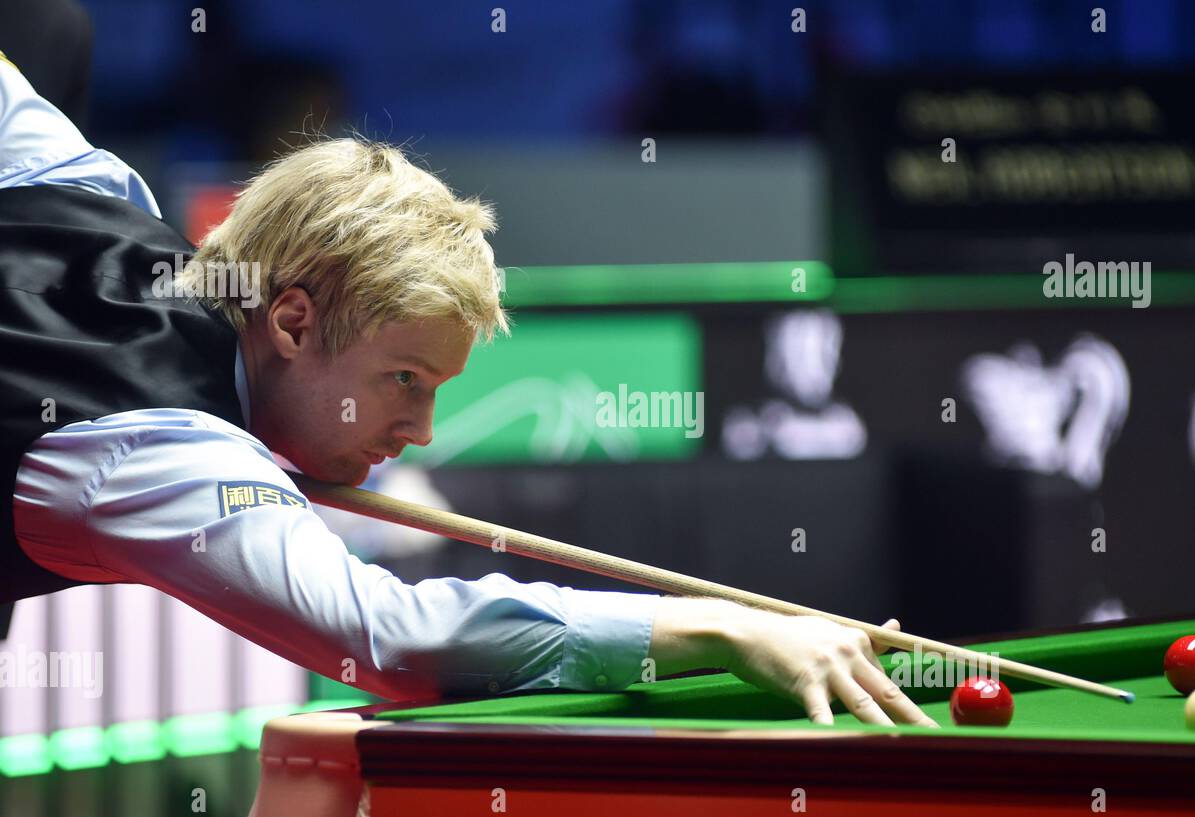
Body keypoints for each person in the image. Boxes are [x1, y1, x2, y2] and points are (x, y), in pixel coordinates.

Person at [0, 54, 935, 728]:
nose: (418, 429)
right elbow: (390, 639)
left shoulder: (86, 186)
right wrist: (724, 629)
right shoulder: (171, 451)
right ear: (289, 322)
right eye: (402, 380)